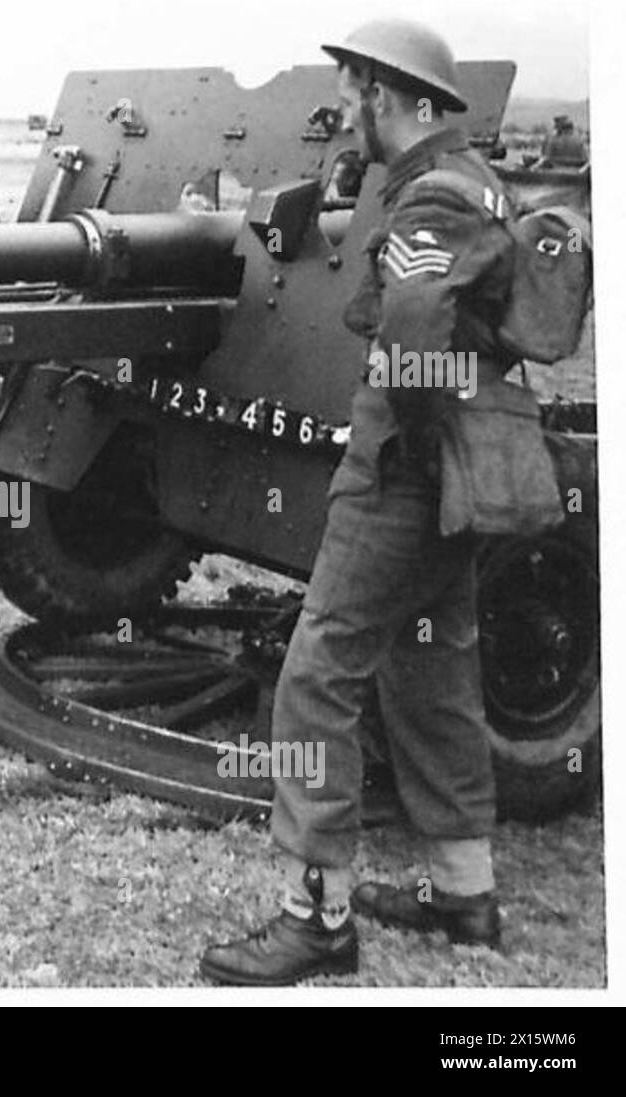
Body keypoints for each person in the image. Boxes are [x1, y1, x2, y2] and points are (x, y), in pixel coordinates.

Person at [200, 19, 542, 984]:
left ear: (391, 96)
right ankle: (463, 890)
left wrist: (418, 443)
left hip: (403, 470)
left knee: (318, 678)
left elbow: (418, 321)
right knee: (430, 669)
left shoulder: (431, 196)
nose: (343, 106)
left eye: (352, 90)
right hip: (455, 471)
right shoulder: (470, 180)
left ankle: (315, 915)